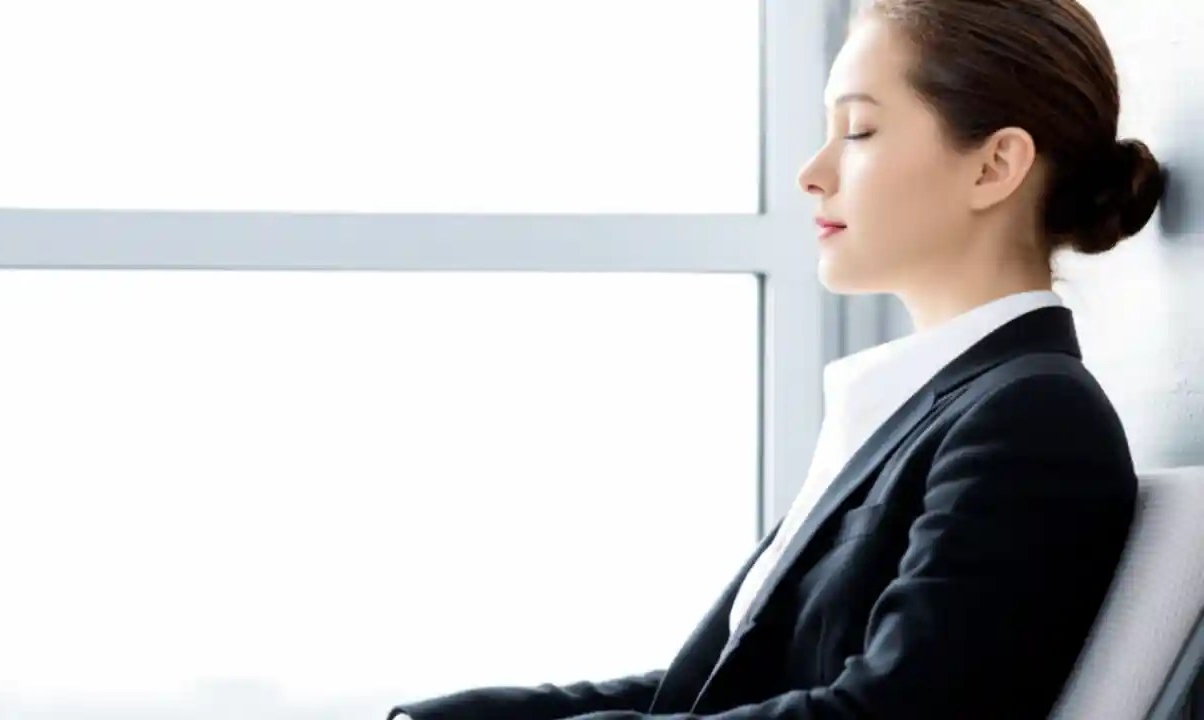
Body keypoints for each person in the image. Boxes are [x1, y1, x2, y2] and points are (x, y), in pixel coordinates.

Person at [387, 0, 1166, 717]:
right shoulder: (932, 407)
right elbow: (719, 687)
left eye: (858, 130)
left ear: (993, 167)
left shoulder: (1032, 418)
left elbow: (891, 715)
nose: (812, 172)